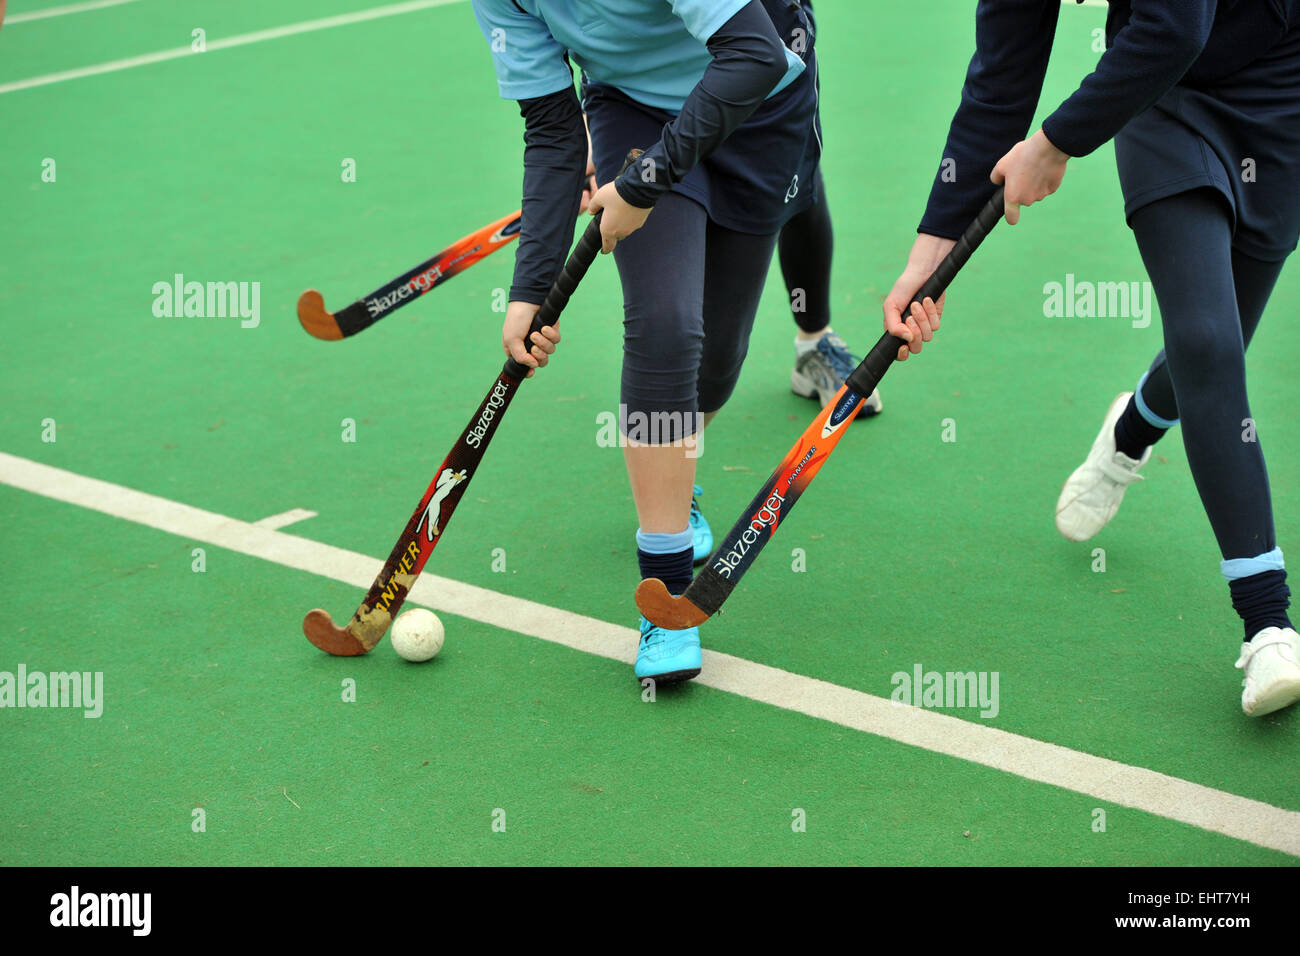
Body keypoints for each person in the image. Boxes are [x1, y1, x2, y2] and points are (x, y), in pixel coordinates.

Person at [882, 0, 1300, 717]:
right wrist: (929, 255)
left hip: (1281, 81)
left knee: (1214, 356)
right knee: (1207, 343)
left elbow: (1179, 23)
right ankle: (1268, 622)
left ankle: (1132, 430)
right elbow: (999, 84)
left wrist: (1053, 144)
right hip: (1164, 95)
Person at [471, 0, 829, 683]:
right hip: (637, 116)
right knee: (667, 328)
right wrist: (531, 289)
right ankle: (663, 595)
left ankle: (679, 468)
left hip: (761, 108)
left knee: (718, 364)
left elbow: (752, 55)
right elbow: (551, 132)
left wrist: (644, 182)